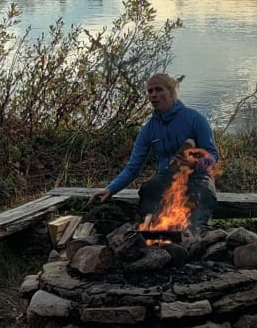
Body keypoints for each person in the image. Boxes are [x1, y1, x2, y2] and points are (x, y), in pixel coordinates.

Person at [93, 73, 219, 224]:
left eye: (159, 90)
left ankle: (196, 235)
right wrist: (110, 189)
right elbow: (133, 167)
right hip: (167, 177)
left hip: (198, 177)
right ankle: (152, 233)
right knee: (149, 190)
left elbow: (213, 156)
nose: (153, 95)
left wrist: (195, 162)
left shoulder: (194, 119)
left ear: (171, 93)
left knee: (201, 195)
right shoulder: (149, 129)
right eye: (150, 91)